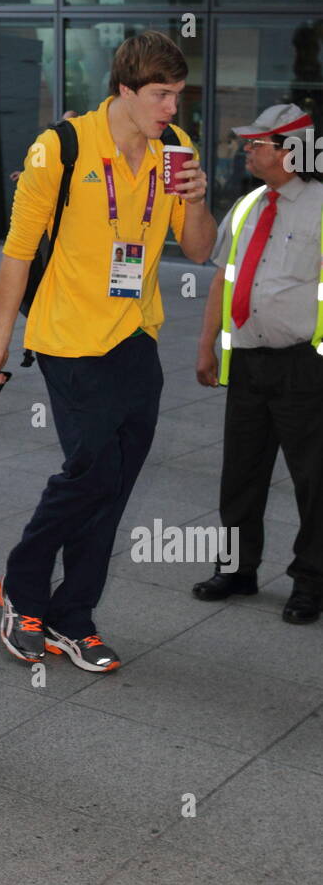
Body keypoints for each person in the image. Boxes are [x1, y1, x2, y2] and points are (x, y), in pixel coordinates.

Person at [0, 31, 216, 673]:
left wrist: (195, 200)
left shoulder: (175, 150)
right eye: (161, 95)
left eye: (177, 96)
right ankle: (22, 589)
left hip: (135, 336)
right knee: (91, 473)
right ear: (126, 91)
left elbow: (197, 250)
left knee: (117, 482)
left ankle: (71, 615)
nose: (172, 108)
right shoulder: (61, 148)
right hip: (67, 338)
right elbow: (18, 252)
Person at [194, 103, 323, 624]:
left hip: (306, 366)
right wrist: (207, 346)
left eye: (257, 144)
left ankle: (311, 580)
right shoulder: (247, 206)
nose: (247, 150)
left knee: (313, 480)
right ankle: (238, 569)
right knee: (240, 474)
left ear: (291, 150)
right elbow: (222, 281)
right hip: (248, 363)